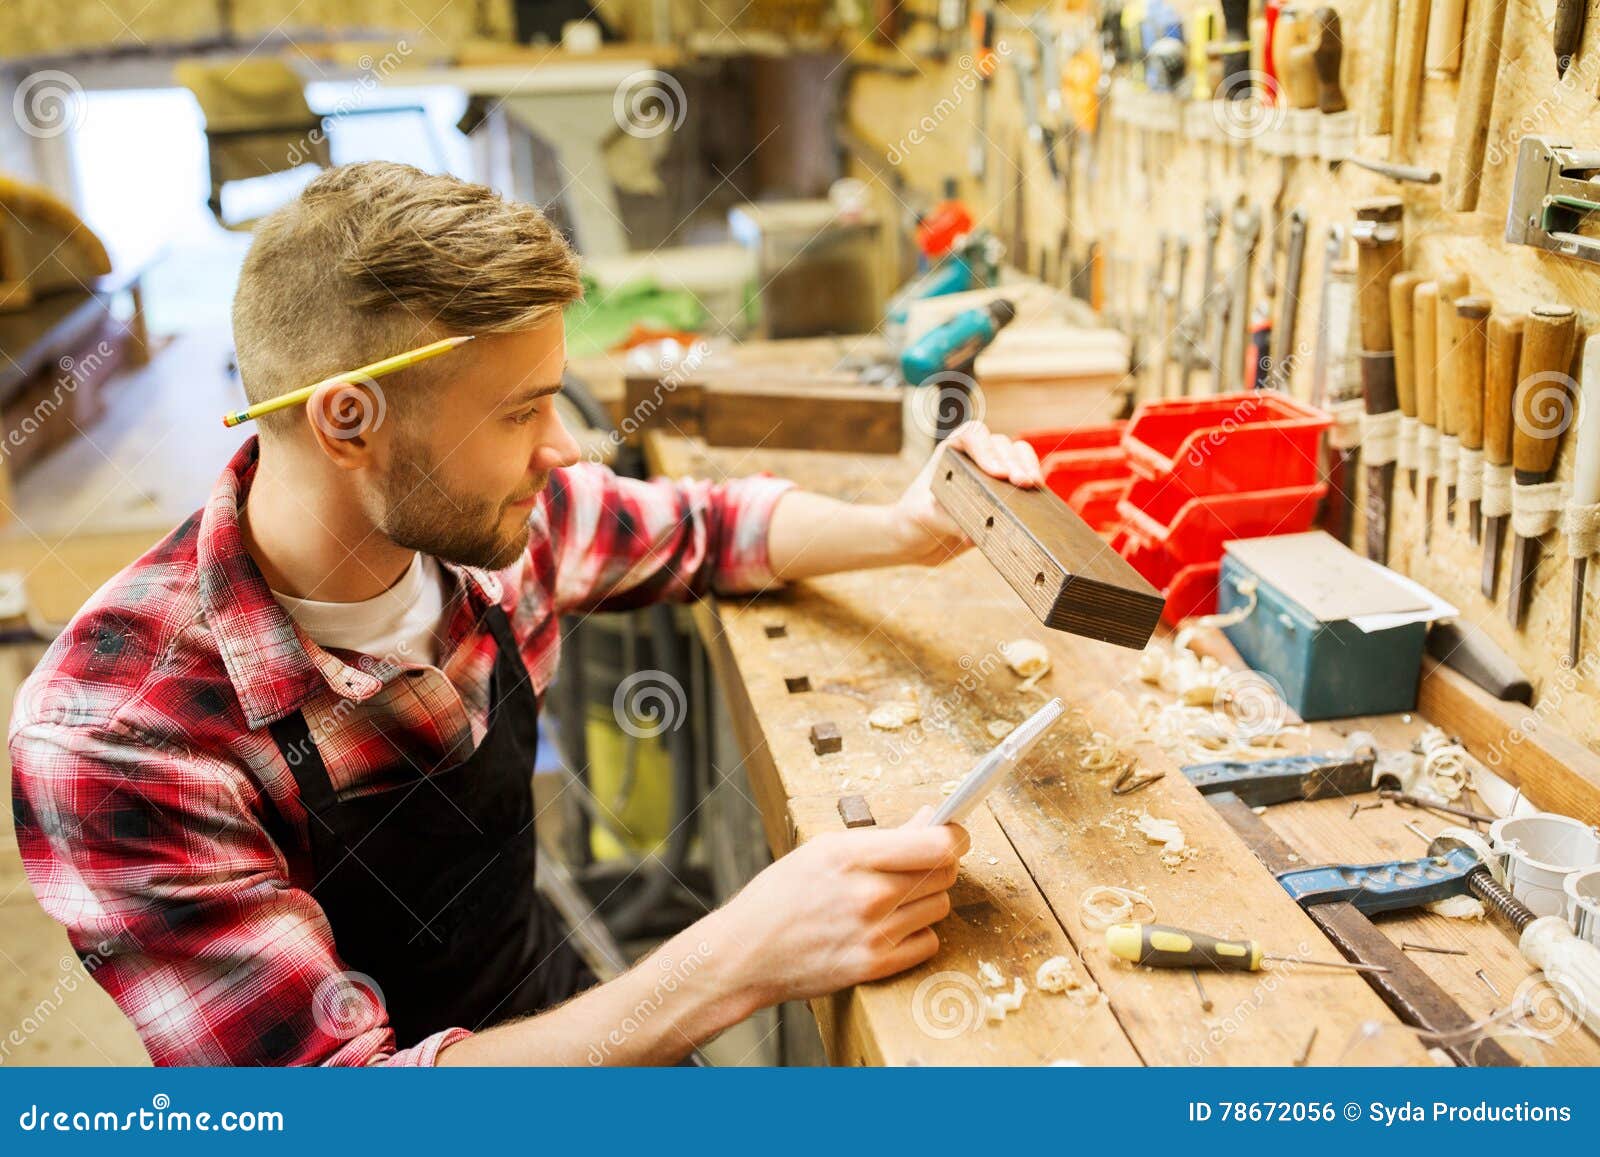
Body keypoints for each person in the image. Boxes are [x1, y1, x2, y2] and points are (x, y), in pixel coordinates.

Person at [9, 162, 1044, 1066]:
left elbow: (706, 526)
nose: (566, 449)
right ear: (348, 422)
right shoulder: (118, 734)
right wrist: (738, 957)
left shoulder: (493, 530)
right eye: (519, 412)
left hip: (548, 1011)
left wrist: (906, 526)